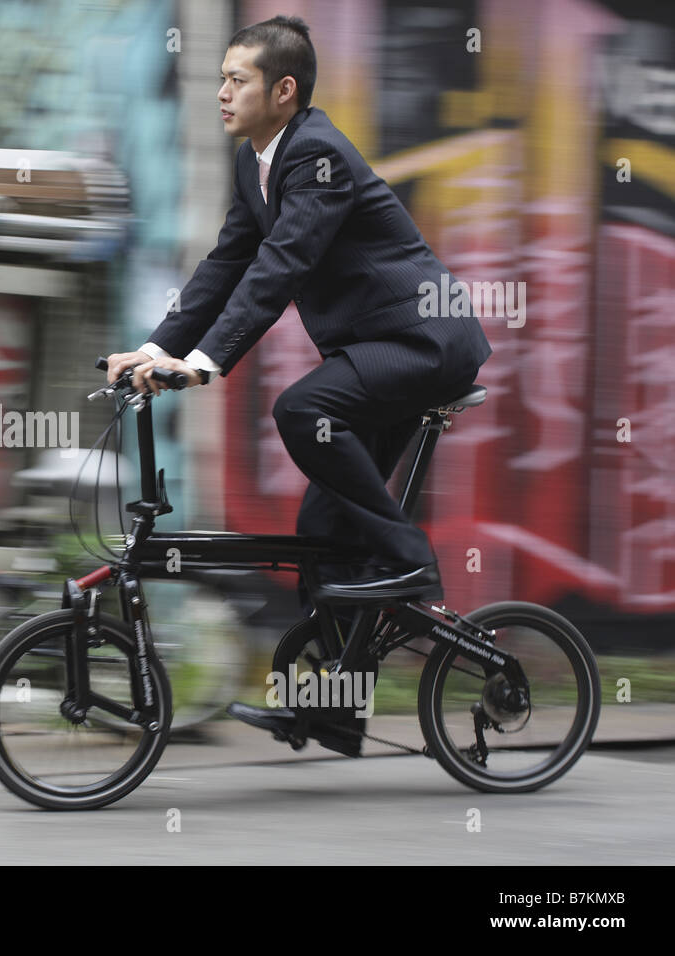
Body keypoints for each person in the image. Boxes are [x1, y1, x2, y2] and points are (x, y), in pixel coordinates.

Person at [104, 15, 492, 752]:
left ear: (284, 90)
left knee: (302, 406)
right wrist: (154, 348)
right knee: (322, 533)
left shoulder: (316, 157)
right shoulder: (259, 165)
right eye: (219, 77)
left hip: (422, 344)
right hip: (377, 355)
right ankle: (334, 709)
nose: (221, 91)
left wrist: (206, 363)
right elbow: (225, 269)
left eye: (236, 79)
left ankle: (407, 557)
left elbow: (278, 269)